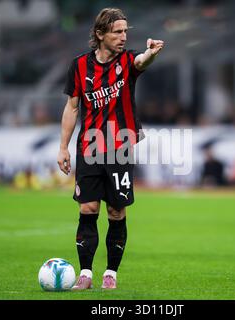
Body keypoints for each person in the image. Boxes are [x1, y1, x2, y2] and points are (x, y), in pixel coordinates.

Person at [57, 8, 164, 290]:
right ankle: (85, 274)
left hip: (120, 147)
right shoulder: (79, 66)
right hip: (89, 147)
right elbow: (72, 107)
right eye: (117, 32)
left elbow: (143, 60)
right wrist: (63, 147)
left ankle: (111, 274)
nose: (123, 37)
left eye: (125, 31)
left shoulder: (128, 61)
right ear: (100, 34)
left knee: (116, 212)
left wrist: (152, 52)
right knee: (88, 208)